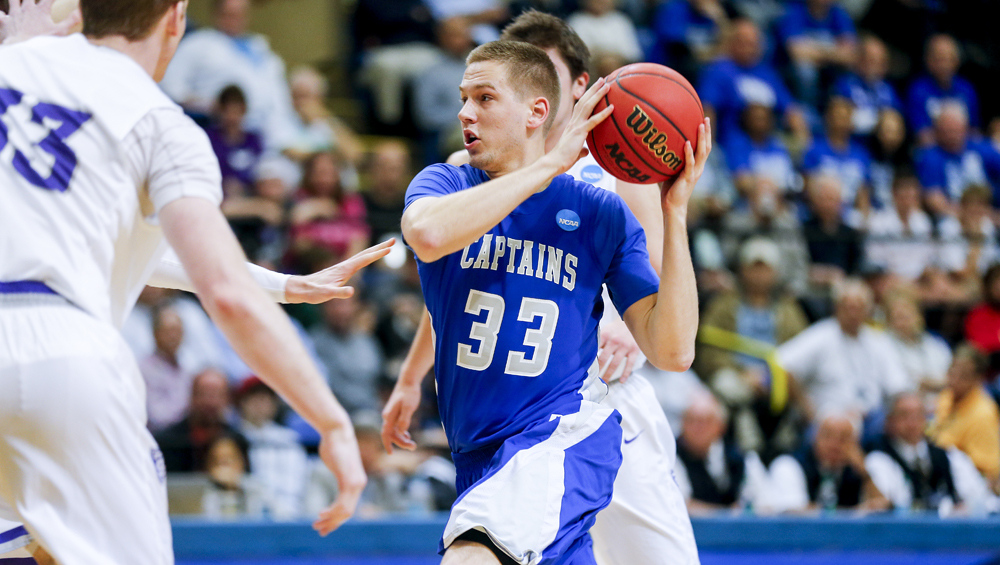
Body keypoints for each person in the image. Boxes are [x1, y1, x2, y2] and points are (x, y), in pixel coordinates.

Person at [0, 1, 377, 561]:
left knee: (24, 543)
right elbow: (222, 288)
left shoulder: (14, 65)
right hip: (64, 356)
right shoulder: (159, 121)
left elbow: (147, 250)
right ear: (176, 18)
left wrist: (282, 285)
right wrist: (331, 421)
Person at [384, 11, 703, 565]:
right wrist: (411, 377)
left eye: (485, 98)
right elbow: (430, 243)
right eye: (464, 98)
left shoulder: (602, 206)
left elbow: (674, 351)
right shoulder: (446, 180)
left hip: (565, 429)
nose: (465, 112)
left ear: (542, 106)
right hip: (482, 448)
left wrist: (676, 216)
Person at [159, 0, 299, 151]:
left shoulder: (260, 48)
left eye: (240, 14)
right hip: (219, 136)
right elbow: (168, 86)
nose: (235, 19)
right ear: (217, 14)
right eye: (230, 14)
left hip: (265, 139)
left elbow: (279, 100)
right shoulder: (198, 44)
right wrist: (207, 105)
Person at [778, 279, 910, 422]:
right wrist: (810, 413)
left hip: (872, 420)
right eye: (848, 308)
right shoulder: (821, 335)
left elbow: (898, 385)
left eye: (859, 308)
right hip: (830, 421)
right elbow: (783, 364)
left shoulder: (878, 340)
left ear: (868, 311)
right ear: (836, 308)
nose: (853, 314)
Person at [866, 392, 990, 512]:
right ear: (889, 421)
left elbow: (980, 499)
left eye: (918, 415)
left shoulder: (950, 456)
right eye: (904, 415)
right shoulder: (878, 460)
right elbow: (887, 507)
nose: (912, 423)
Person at [767, 411, 889, 513]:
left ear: (856, 443)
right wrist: (852, 513)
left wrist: (864, 474)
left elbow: (884, 510)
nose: (834, 444)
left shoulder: (865, 467)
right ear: (814, 438)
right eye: (827, 435)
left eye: (844, 438)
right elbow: (794, 512)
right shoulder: (789, 464)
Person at [673, 392, 769, 513]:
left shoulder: (741, 455)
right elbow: (678, 505)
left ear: (721, 426)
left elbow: (766, 504)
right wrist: (727, 513)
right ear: (682, 424)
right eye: (691, 420)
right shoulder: (671, 456)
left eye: (706, 421)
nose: (698, 427)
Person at [927, 345, 1000, 486]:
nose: (953, 380)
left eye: (963, 376)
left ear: (977, 379)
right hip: (937, 469)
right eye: (951, 373)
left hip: (967, 482)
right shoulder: (946, 396)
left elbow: (988, 472)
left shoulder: (984, 414)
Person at [915, 103, 1000, 217]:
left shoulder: (982, 149)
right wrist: (973, 216)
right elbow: (934, 200)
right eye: (946, 130)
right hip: (953, 217)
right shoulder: (930, 157)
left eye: (955, 129)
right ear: (937, 131)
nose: (951, 135)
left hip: (988, 211)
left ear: (965, 128)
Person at [775, 0, 857, 107]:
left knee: (847, 70)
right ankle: (807, 109)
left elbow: (850, 55)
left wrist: (815, 53)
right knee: (805, 71)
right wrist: (833, 52)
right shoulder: (794, 12)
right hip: (789, 71)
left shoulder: (839, 14)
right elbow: (796, 53)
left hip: (829, 68)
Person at [906, 34, 981, 147]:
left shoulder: (967, 89)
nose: (945, 65)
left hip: (965, 148)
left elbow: (974, 130)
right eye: (940, 59)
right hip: (932, 150)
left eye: (950, 59)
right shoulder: (918, 90)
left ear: (957, 61)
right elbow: (922, 135)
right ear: (929, 61)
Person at [831, 35, 902, 139]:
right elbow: (841, 120)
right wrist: (879, 120)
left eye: (881, 62)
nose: (877, 67)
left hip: (878, 144)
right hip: (851, 142)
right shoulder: (845, 84)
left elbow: (895, 121)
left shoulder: (888, 90)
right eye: (872, 61)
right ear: (860, 59)